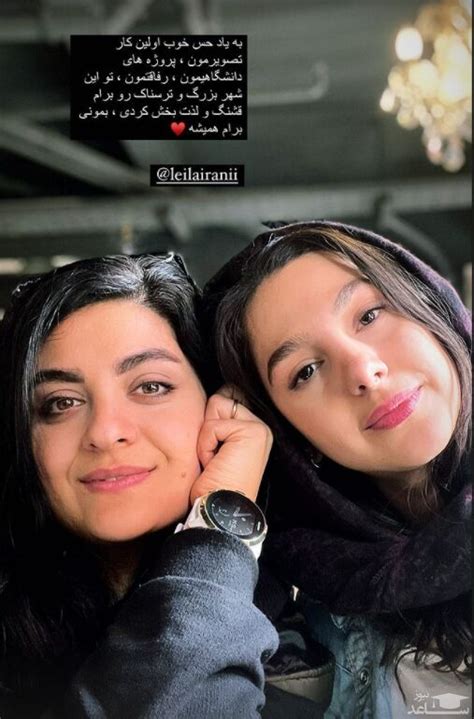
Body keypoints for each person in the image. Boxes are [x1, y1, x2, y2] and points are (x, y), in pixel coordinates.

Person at [202, 220, 472, 718]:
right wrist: (223, 509)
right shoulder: (301, 618)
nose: (364, 371)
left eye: (369, 315)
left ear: (431, 306)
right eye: (305, 371)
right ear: (291, 436)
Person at [0, 252, 279, 719]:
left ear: (223, 402)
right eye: (61, 403)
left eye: (150, 387)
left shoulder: (320, 628)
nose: (105, 432)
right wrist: (221, 529)